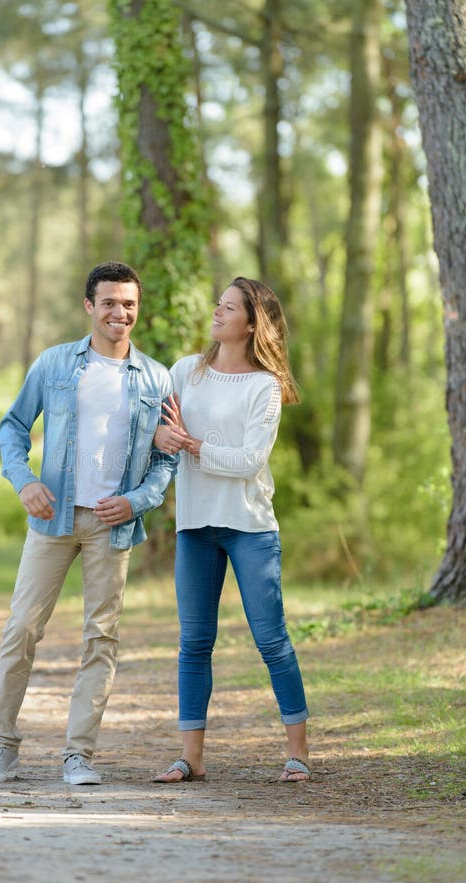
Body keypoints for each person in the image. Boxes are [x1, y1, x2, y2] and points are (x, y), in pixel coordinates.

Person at [0, 261, 176, 786]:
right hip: (53, 518)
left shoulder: (156, 377)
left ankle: (78, 755)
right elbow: (12, 427)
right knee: (22, 628)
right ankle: (2, 747)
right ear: (89, 306)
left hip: (114, 526)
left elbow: (168, 456)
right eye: (109, 302)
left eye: (128, 303)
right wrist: (24, 481)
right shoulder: (54, 365)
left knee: (101, 638)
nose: (120, 312)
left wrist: (138, 501)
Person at [152, 276, 310, 784]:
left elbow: (249, 461)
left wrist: (193, 444)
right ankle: (190, 758)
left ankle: (298, 754)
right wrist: (163, 434)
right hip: (195, 524)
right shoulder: (185, 372)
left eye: (228, 307)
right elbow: (156, 433)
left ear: (251, 322)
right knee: (194, 643)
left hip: (248, 527)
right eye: (218, 304)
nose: (217, 313)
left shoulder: (266, 386)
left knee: (271, 640)